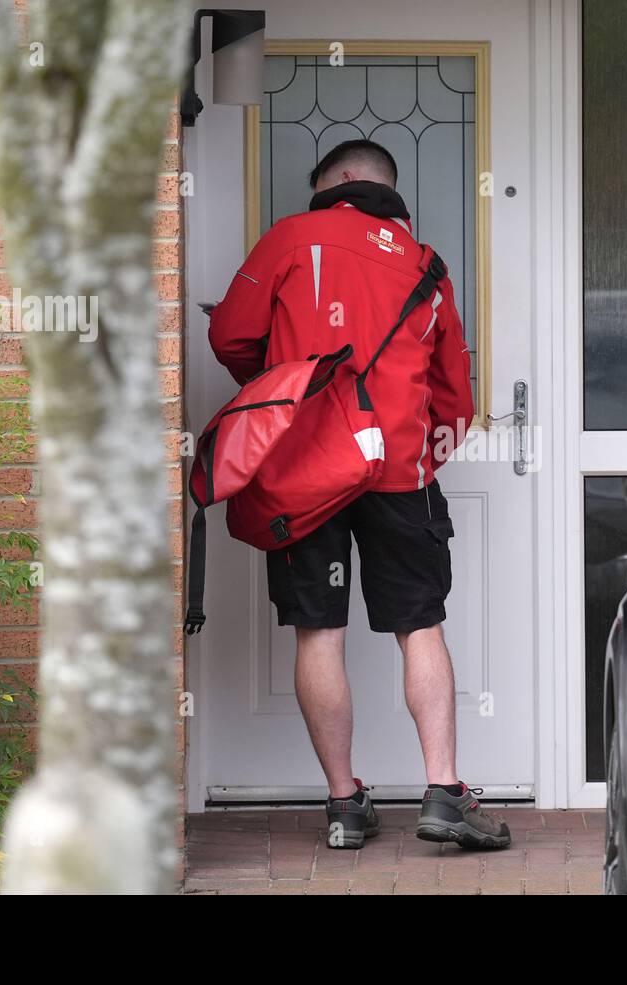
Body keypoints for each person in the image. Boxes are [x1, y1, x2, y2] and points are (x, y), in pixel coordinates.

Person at [208, 139, 510, 850]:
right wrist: (416, 443)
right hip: (400, 472)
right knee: (420, 624)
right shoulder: (425, 265)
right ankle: (443, 793)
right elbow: (456, 399)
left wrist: (286, 389)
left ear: (338, 182)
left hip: (302, 469)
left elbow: (229, 335)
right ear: (382, 189)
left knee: (321, 630)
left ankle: (345, 804)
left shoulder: (288, 239)